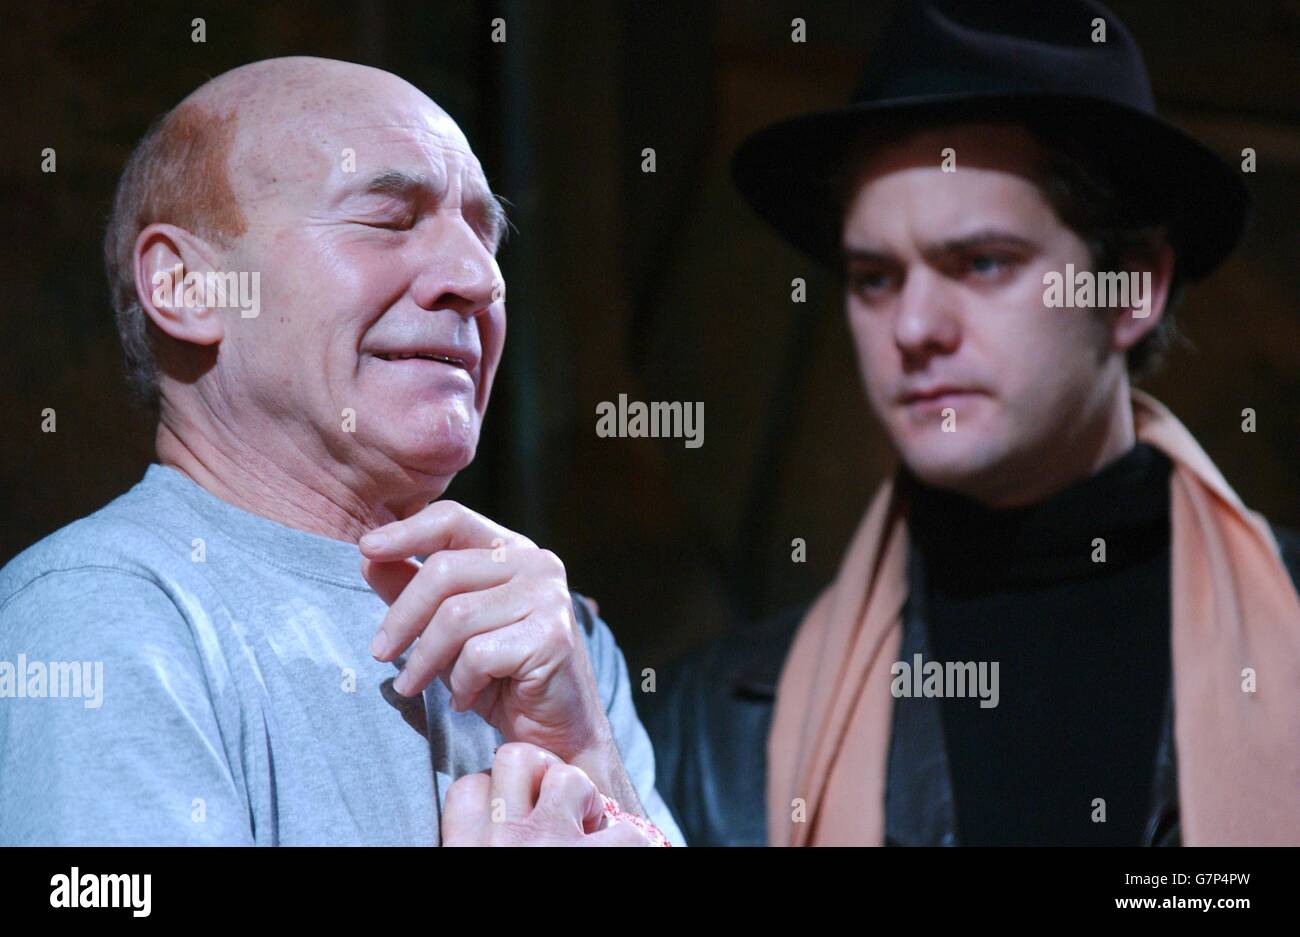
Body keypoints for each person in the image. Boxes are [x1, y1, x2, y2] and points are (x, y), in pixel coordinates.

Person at [641, 0, 1299, 846]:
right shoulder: (720, 724)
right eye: (875, 277)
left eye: (981, 262)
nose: (914, 328)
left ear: (1133, 287)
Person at [0, 56, 680, 847]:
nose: (479, 278)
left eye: (485, 236)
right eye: (389, 219)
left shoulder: (548, 632)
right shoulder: (106, 613)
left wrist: (587, 753)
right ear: (189, 287)